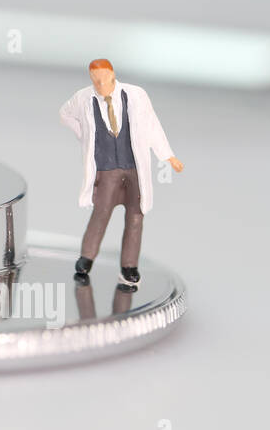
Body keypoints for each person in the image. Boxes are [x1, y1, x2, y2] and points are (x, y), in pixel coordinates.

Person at [59, 59, 182, 286]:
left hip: (134, 167)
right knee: (101, 213)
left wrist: (167, 155)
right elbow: (64, 114)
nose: (102, 85)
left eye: (106, 80)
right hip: (106, 170)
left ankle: (129, 266)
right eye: (97, 81)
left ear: (114, 76)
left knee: (136, 216)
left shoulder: (136, 95)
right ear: (91, 80)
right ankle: (86, 257)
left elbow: (152, 125)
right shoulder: (83, 98)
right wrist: (85, 137)